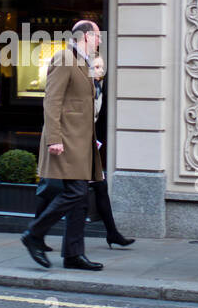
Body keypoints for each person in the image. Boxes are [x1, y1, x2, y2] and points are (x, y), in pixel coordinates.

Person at [20, 20, 104, 271]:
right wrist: (54, 138)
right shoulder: (64, 58)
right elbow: (52, 101)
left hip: (81, 142)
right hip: (66, 140)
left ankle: (73, 254)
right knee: (76, 193)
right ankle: (34, 234)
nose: (100, 40)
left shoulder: (83, 62)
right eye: (98, 36)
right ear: (87, 36)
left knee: (80, 200)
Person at [89, 55, 133, 249]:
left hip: (89, 144)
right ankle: (36, 232)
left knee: (100, 187)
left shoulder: (99, 87)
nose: (100, 70)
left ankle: (112, 233)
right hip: (79, 145)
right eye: (96, 66)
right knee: (63, 195)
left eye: (102, 67)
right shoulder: (84, 88)